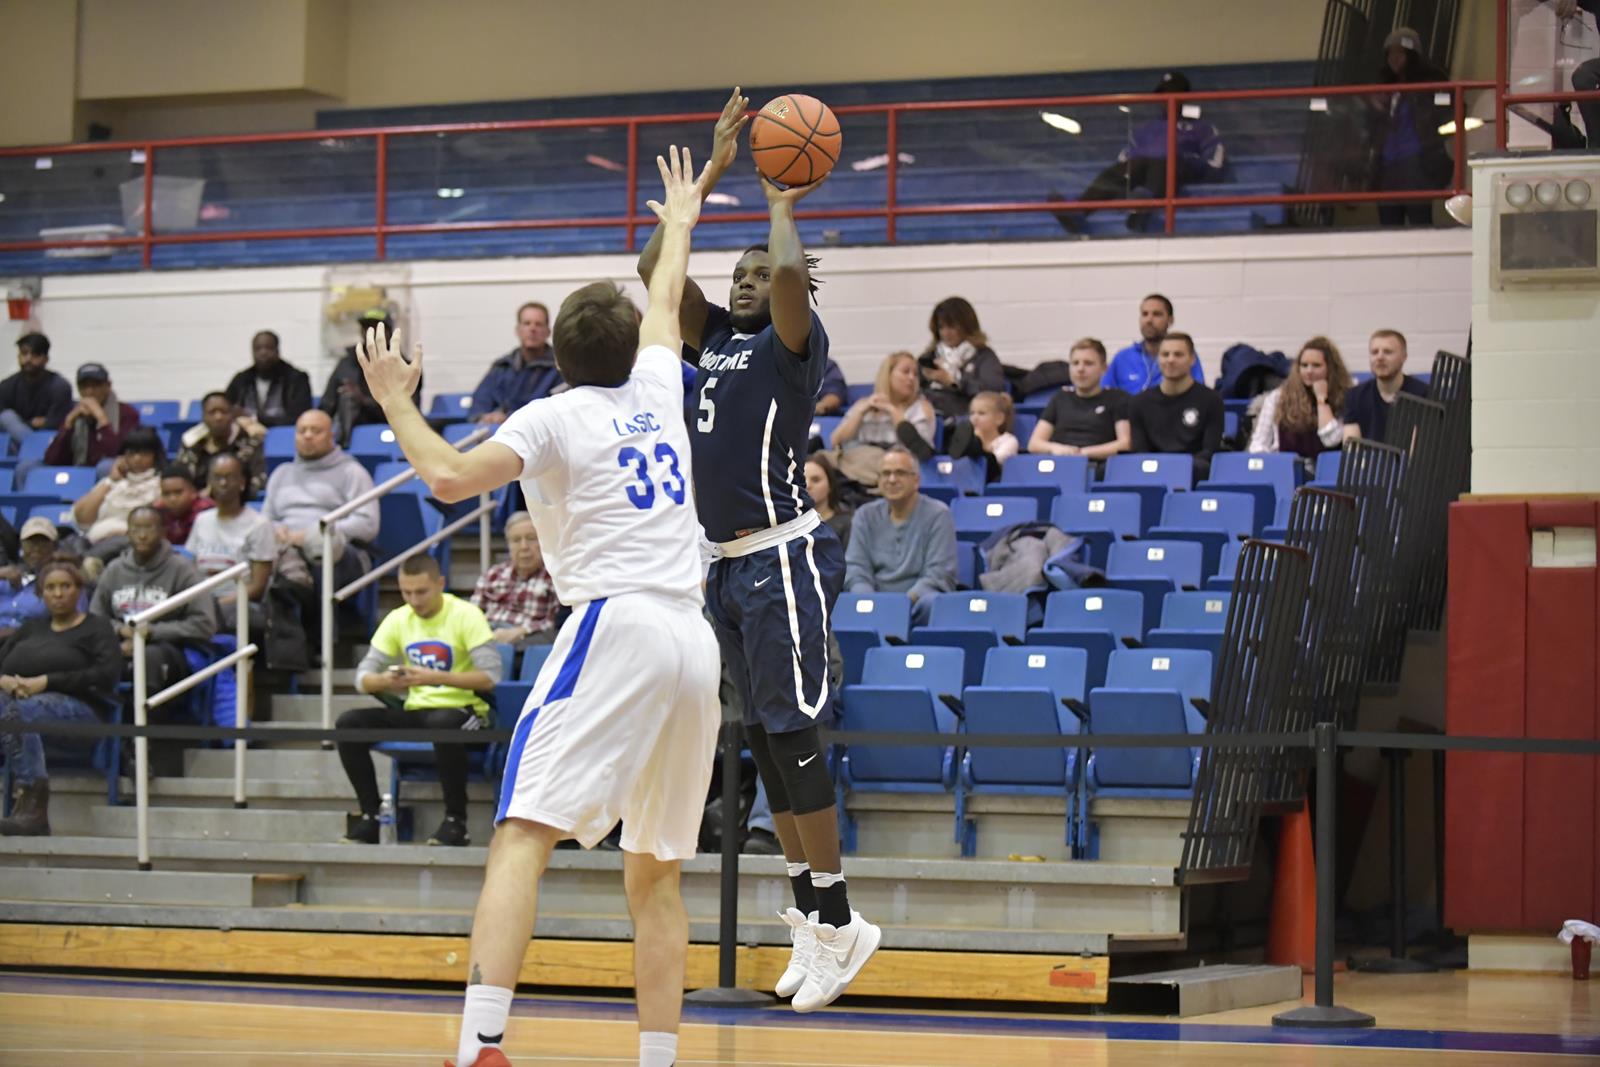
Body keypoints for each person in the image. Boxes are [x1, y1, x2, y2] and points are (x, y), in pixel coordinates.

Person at [359, 144, 720, 1067]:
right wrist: (679, 219)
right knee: (657, 870)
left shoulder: (551, 417)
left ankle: (480, 1046)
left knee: (521, 830)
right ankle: (659, 1060)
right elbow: (668, 303)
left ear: (554, 359)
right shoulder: (658, 385)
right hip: (693, 637)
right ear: (624, 343)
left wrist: (397, 399)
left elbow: (443, 477)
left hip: (617, 625)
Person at [640, 89, 879, 1017]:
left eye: (758, 273)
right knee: (763, 750)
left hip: (779, 555)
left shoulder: (792, 345)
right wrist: (706, 183)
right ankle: (819, 919)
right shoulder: (716, 349)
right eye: (734, 274)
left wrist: (780, 200)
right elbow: (654, 266)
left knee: (791, 735)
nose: (744, 282)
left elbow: (786, 282)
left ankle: (840, 915)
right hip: (722, 564)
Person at [339, 553, 502, 848]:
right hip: (418, 710)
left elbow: (490, 677)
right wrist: (386, 681)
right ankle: (371, 817)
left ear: (441, 584)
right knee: (348, 723)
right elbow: (362, 677)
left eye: (421, 591)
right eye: (406, 592)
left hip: (466, 710)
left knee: (442, 723)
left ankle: (456, 822)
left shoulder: (466, 614)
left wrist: (434, 677)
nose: (414, 600)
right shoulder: (399, 618)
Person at [91, 506, 216, 776]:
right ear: (128, 533)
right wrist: (118, 631)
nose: (142, 535)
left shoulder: (181, 569)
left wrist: (150, 633)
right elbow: (94, 620)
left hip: (167, 652)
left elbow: (204, 623)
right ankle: (103, 746)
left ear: (162, 531)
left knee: (149, 658)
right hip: (120, 647)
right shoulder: (114, 570)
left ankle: (142, 748)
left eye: (149, 528)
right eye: (136, 528)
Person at [0, 561, 122, 837]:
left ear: (79, 591)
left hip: (82, 711)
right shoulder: (31, 628)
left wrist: (46, 682)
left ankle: (32, 805)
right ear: (41, 594)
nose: (58, 594)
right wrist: (5, 681)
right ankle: (29, 803)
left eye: (65, 586)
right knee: (12, 709)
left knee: (17, 712)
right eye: (50, 588)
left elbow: (107, 674)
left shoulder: (97, 627)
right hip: (17, 704)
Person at [1053, 71, 1226, 233]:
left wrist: (1187, 159)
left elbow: (1214, 163)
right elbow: (1124, 160)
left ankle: (1143, 208)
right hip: (1144, 171)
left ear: (1186, 97)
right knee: (1126, 167)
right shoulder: (1144, 129)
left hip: (1179, 167)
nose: (1168, 98)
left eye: (1174, 93)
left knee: (1163, 162)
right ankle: (1080, 211)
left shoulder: (1202, 128)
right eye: (1163, 94)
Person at [261, 409, 378, 593]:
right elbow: (266, 518)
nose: (308, 436)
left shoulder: (352, 472)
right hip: (287, 547)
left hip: (340, 551)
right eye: (302, 431)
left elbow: (368, 524)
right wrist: (278, 530)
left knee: (319, 547)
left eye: (316, 431)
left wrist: (313, 534)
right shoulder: (282, 473)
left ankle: (321, 620)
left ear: (331, 435)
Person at [843, 446, 959, 621]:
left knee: (932, 603)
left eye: (900, 473)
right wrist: (869, 601)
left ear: (916, 480)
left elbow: (938, 574)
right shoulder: (864, 515)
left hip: (918, 603)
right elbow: (856, 568)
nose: (892, 479)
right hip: (874, 601)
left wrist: (899, 605)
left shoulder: (939, 515)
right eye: (885, 473)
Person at [1367, 28, 1451, 227]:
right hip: (1387, 167)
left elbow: (1450, 113)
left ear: (1412, 56)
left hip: (1417, 166)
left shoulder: (1433, 81)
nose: (1394, 58)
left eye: (1400, 53)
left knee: (1420, 225)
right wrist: (1374, 106)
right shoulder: (1382, 84)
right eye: (1390, 53)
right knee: (1389, 227)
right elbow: (1368, 126)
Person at [184, 454, 273, 625]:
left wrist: (216, 605)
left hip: (241, 605)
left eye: (229, 477)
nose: (223, 483)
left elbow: (257, 587)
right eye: (217, 478)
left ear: (242, 483)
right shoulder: (202, 520)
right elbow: (191, 572)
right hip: (204, 602)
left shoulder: (259, 524)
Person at [1126, 331, 1225, 479]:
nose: (1170, 360)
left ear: (1192, 359)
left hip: (1193, 473)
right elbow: (1140, 452)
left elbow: (1209, 451)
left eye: (1178, 355)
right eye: (1165, 354)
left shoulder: (1212, 400)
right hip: (1151, 475)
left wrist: (1177, 468)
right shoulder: (1139, 402)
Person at [321, 308, 423, 446]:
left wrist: (363, 400)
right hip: (353, 421)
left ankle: (344, 445)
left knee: (350, 398)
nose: (371, 333)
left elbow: (409, 411)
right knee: (346, 398)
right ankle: (342, 445)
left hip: (389, 424)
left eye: (377, 328)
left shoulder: (405, 366)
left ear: (389, 333)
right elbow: (327, 404)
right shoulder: (346, 363)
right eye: (367, 328)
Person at [1030, 338, 1133, 469]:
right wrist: (1057, 449)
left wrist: (1083, 453)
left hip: (1098, 467)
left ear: (1104, 368)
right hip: (1060, 464)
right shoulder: (1060, 398)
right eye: (1075, 363)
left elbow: (1125, 443)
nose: (1080, 369)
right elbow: (1034, 444)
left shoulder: (1118, 398)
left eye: (1088, 363)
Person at [1248, 337, 1352, 466]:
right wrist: (1272, 466)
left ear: (1331, 369)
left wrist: (1321, 399)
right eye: (1304, 365)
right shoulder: (1278, 397)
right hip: (1287, 470)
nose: (1309, 371)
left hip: (1326, 473)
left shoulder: (1347, 397)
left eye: (1316, 365)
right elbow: (1258, 444)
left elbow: (1331, 439)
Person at [832, 350, 937, 473]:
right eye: (905, 372)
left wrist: (891, 409)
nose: (911, 378)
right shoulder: (864, 404)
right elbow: (836, 441)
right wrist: (861, 412)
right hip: (857, 465)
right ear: (888, 374)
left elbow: (920, 449)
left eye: (915, 374)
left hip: (896, 469)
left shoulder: (921, 407)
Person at [470, 511, 561, 647]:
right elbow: (472, 614)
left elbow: (552, 623)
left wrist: (519, 632)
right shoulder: (493, 574)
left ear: (543, 541)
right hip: (488, 635)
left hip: (527, 640)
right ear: (509, 545)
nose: (524, 547)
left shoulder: (554, 578)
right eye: (516, 540)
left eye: (531, 538)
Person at [71, 426, 166, 553]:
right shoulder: (110, 483)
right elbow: (82, 519)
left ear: (155, 456)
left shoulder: (161, 484)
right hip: (94, 541)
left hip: (129, 545)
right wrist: (111, 480)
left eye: (144, 453)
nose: (137, 458)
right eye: (131, 453)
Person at [468, 302, 564, 425]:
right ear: (518, 330)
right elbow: (479, 403)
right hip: (496, 435)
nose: (532, 329)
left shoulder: (560, 369)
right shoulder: (502, 367)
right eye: (527, 323)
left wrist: (508, 418)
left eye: (538, 324)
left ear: (548, 331)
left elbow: (554, 413)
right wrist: (484, 417)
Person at [39, 363, 140, 475]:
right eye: (84, 387)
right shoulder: (75, 413)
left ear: (108, 386)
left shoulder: (127, 414)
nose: (90, 392)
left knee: (105, 466)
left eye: (96, 386)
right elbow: (52, 460)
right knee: (26, 468)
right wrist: (67, 426)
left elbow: (117, 454)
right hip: (78, 471)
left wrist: (102, 419)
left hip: (110, 476)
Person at [916, 297, 1005, 422]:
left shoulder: (984, 356)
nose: (946, 333)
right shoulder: (930, 356)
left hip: (964, 419)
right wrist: (924, 378)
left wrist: (954, 382)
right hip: (928, 416)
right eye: (941, 327)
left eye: (951, 326)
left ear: (966, 326)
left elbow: (993, 391)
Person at [1343, 328, 1430, 444]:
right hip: (1368, 461)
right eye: (1374, 352)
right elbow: (1351, 448)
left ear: (1404, 356)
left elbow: (1420, 450)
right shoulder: (1355, 395)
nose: (1380, 357)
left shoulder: (1424, 394)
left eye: (1388, 352)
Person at [1102, 294, 1203, 392]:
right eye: (1145, 314)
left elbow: (1198, 394)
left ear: (1170, 320)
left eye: (1157, 314)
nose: (1149, 320)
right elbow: (1106, 397)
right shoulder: (1122, 358)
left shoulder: (1182, 355)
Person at [176, 391, 267, 496]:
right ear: (203, 417)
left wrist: (217, 494)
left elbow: (257, 482)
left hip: (236, 503)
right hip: (197, 504)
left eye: (223, 412)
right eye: (212, 412)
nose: (218, 417)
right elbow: (180, 481)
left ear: (232, 415)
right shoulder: (191, 442)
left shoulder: (250, 443)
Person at [224, 331, 313, 429]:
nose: (263, 353)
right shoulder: (241, 379)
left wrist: (254, 419)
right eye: (258, 349)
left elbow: (299, 417)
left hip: (283, 433)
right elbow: (225, 409)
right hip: (245, 435)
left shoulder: (296, 379)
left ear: (278, 351)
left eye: (268, 348)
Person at [0, 332, 72, 452]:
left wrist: (22, 424)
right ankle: (32, 447)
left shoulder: (60, 387)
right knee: (7, 417)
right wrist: (31, 424)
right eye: (24, 353)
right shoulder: (7, 386)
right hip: (15, 444)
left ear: (46, 359)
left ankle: (33, 448)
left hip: (51, 443)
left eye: (35, 354)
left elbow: (54, 425)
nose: (28, 359)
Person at [0, 518, 66, 637]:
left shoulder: (62, 582)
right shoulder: (4, 578)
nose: (36, 548)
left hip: (30, 645)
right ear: (21, 547)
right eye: (30, 542)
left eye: (43, 542)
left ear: (55, 547)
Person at [944, 390, 1019, 482]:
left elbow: (995, 463)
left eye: (981, 413)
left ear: (999, 418)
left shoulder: (1008, 440)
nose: (975, 418)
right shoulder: (968, 440)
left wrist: (980, 443)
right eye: (972, 413)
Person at [156, 463, 214, 546]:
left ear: (193, 492)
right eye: (166, 494)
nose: (172, 499)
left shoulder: (207, 510)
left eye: (178, 492)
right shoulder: (158, 512)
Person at [804, 456, 853, 549]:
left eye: (815, 480)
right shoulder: (787, 524)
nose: (808, 485)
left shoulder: (848, 524)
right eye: (802, 480)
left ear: (830, 485)